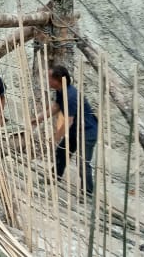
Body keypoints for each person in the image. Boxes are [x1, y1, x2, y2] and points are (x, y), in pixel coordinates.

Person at [32, 65, 99, 195]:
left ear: (59, 80)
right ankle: (54, 177)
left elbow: (68, 121)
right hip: (75, 130)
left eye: (50, 78)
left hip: (87, 132)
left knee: (83, 162)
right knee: (62, 153)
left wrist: (56, 137)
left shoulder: (71, 96)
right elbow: (56, 107)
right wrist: (38, 118)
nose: (48, 81)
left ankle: (88, 192)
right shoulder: (61, 91)